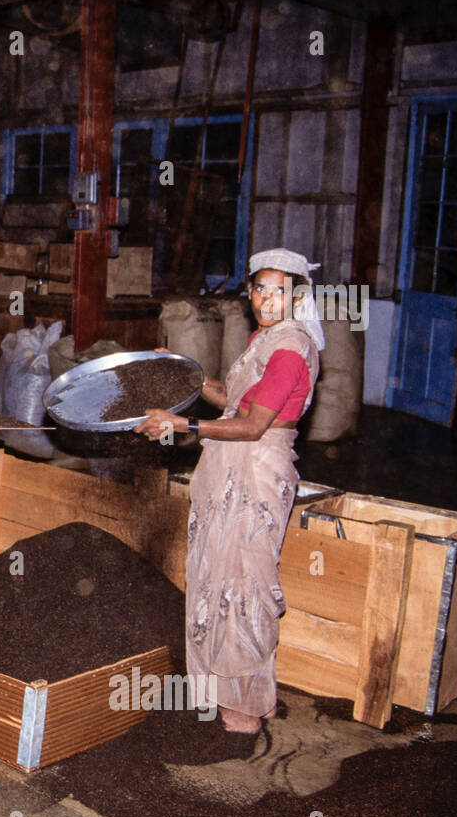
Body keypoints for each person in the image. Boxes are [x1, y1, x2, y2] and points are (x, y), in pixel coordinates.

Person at [134, 248, 324, 734]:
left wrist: (181, 422)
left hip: (254, 472)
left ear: (297, 296)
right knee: (224, 578)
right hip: (232, 467)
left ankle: (242, 708)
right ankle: (254, 697)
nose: (266, 298)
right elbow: (236, 402)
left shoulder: (289, 349)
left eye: (278, 290)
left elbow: (253, 425)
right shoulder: (266, 340)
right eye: (259, 288)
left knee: (243, 585)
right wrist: (186, 373)